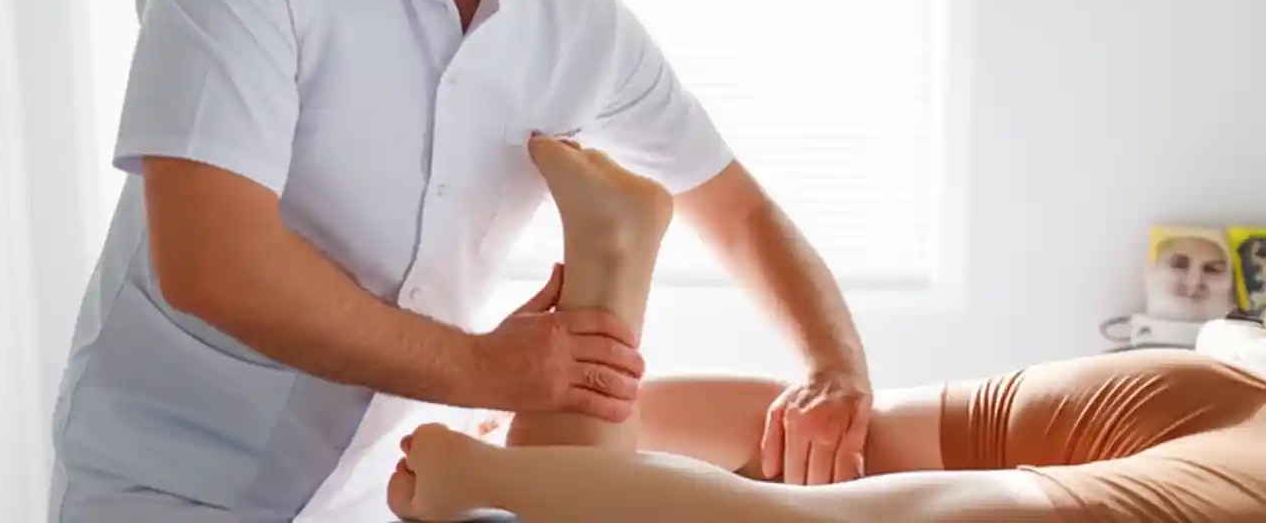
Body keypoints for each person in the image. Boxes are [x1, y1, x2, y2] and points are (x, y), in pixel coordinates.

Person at [49, 0, 872, 520]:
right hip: (165, 489)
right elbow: (214, 263)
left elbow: (736, 207)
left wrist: (834, 367)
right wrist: (486, 369)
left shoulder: (579, 17)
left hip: (390, 494)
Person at [388, 136, 1266, 523]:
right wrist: (477, 479)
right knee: (816, 501)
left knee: (822, 437)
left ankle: (607, 268)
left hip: (1226, 381)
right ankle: (494, 462)